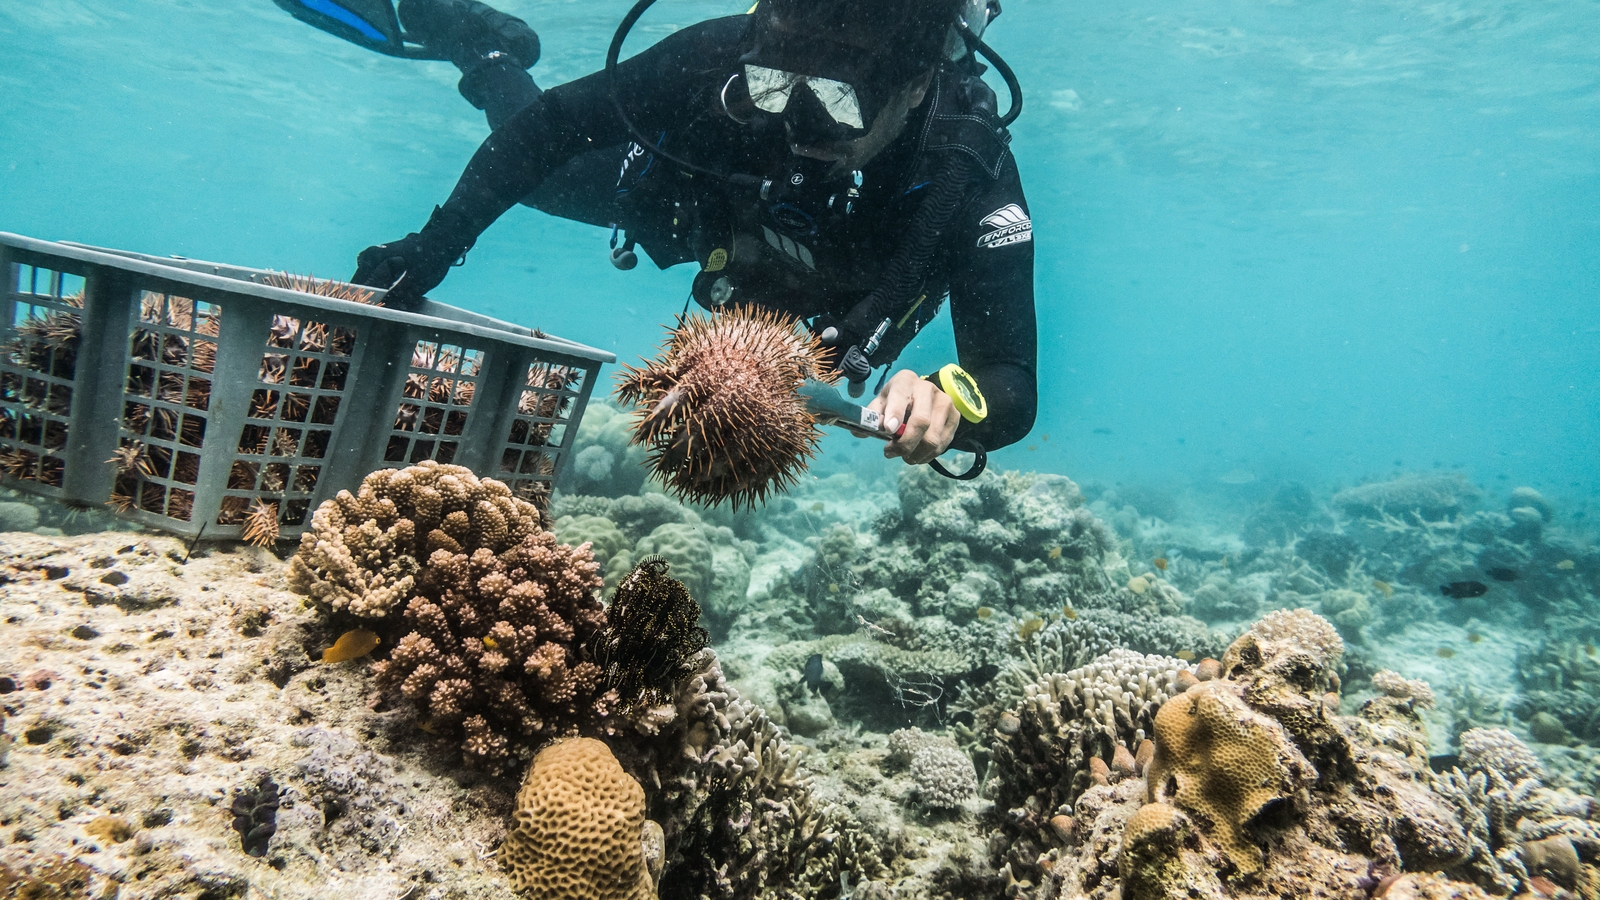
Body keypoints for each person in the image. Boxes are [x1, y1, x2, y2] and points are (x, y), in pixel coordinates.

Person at [282, 0, 1037, 468]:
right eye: (773, 88)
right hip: (682, 210)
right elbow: (553, 127)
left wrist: (951, 402)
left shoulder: (966, 171)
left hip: (822, 291)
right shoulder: (717, 55)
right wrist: (435, 244)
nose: (794, 128)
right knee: (534, 160)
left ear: (913, 89)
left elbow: (1008, 379)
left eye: (836, 106)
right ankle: (480, 45)